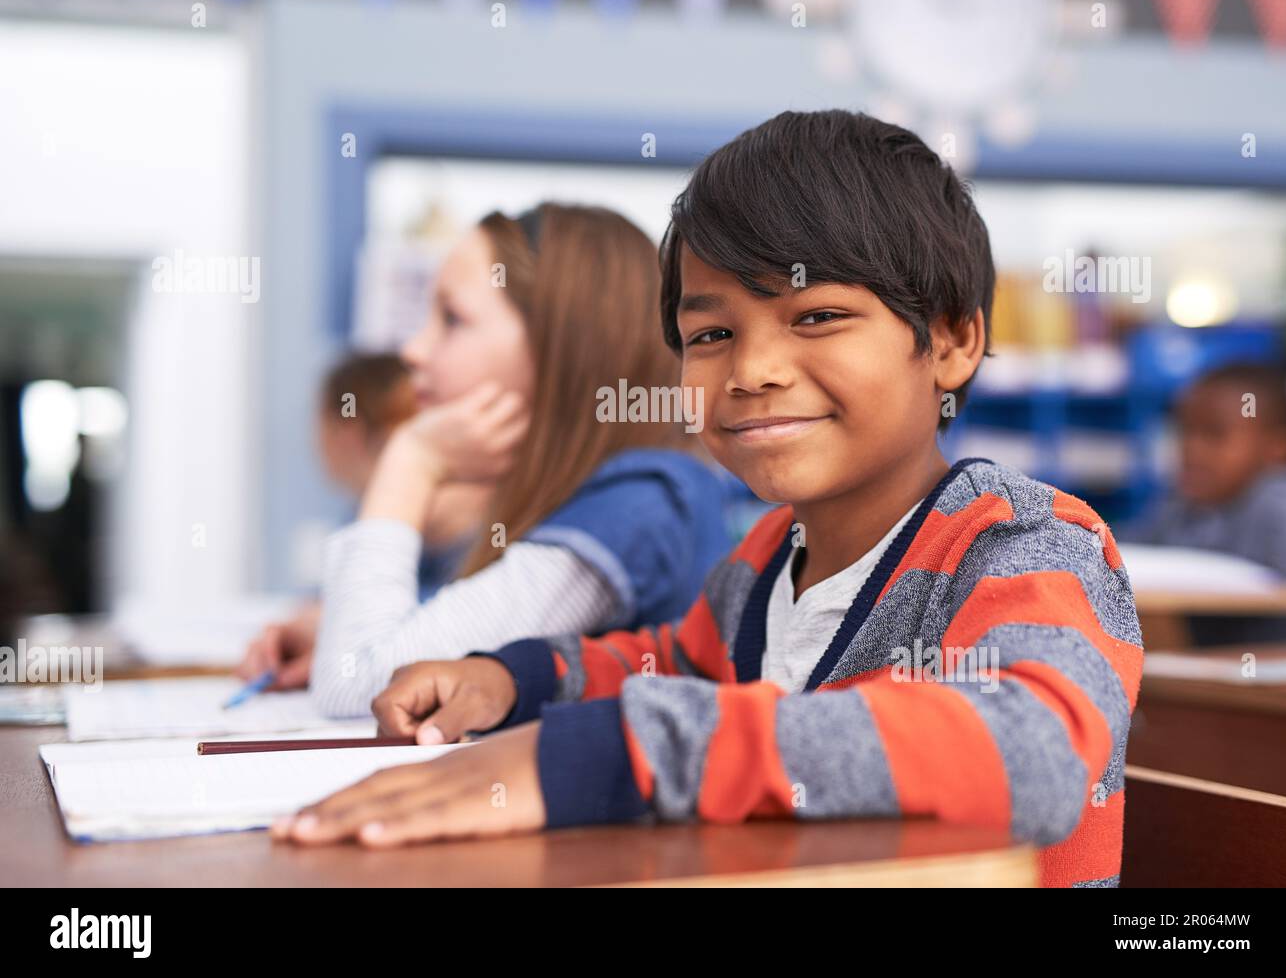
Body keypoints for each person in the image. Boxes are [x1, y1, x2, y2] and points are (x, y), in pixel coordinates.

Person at [272, 111, 1142, 889]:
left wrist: (628, 751)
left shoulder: (1031, 544)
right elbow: (670, 665)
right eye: (711, 334)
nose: (753, 370)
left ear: (952, 341)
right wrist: (515, 677)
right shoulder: (760, 563)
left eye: (816, 317)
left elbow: (1029, 751)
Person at [258, 203, 731, 715]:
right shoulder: (587, 493)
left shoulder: (641, 507)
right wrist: (332, 630)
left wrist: (410, 465)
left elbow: (358, 687)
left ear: (560, 349)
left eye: (452, 318)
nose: (414, 350)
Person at [239, 352, 492, 688]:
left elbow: (465, 618)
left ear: (345, 432)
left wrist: (332, 624)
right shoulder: (366, 512)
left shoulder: (451, 518)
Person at [1127, 361, 1286, 644]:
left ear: (1277, 448)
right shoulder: (1180, 504)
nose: (1192, 449)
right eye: (1185, 432)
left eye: (1214, 435)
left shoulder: (1283, 506)